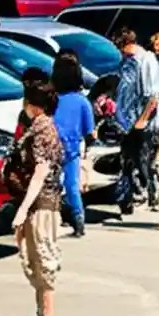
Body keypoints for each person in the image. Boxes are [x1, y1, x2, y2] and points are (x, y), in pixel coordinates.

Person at [5, 83, 64, 316]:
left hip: (42, 203)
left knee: (43, 257)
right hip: (37, 202)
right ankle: (42, 314)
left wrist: (24, 208)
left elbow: (41, 172)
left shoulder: (43, 131)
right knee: (33, 259)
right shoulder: (39, 127)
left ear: (33, 105)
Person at [111, 28, 159, 214]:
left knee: (143, 161)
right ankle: (127, 198)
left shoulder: (147, 61)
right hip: (126, 121)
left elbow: (153, 97)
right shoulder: (126, 62)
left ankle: (150, 192)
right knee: (127, 160)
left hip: (144, 123)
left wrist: (142, 120)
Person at [51, 50, 95, 237]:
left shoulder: (50, 100)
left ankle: (52, 220)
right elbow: (89, 130)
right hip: (72, 149)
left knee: (51, 185)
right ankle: (78, 221)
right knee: (72, 185)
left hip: (50, 148)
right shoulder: (82, 101)